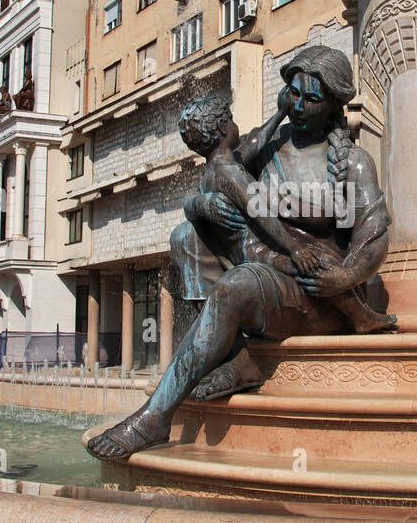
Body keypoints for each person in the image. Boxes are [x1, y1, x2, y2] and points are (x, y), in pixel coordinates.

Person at [87, 46, 394, 460]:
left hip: (317, 288)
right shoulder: (265, 150)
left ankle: (154, 418)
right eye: (293, 93)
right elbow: (215, 180)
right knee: (185, 236)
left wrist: (346, 277)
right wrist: (198, 207)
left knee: (237, 285)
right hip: (270, 267)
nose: (299, 106)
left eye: (312, 99)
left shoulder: (353, 162)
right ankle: (233, 356)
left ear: (335, 104)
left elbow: (373, 234)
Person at [177, 94, 392, 332]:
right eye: (231, 119)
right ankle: (362, 318)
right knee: (316, 264)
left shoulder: (217, 168)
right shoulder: (231, 171)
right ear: (222, 126)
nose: (298, 106)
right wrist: (295, 248)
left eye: (310, 97)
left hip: (252, 248)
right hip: (258, 250)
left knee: (318, 262)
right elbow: (261, 213)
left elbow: (256, 141)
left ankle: (360, 316)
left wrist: (280, 113)